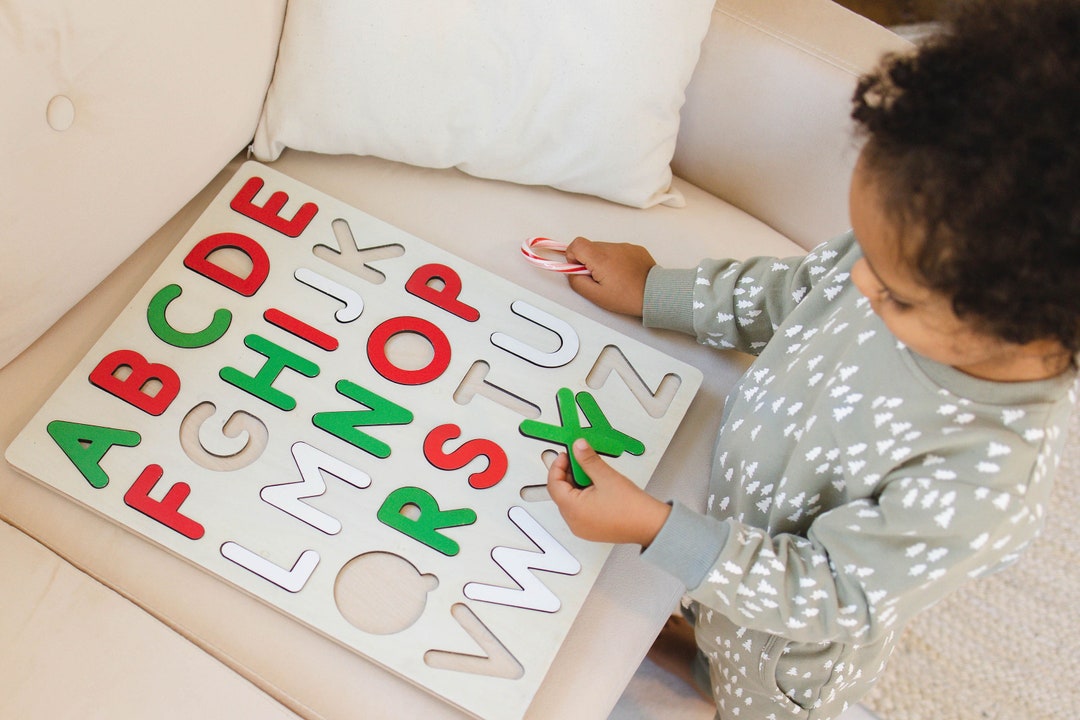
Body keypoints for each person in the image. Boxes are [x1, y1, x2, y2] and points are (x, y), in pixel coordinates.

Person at [545, 1, 1079, 717]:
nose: (856, 281)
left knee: (743, 686)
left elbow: (826, 594)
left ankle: (709, 671)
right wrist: (657, 291)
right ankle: (695, 647)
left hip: (783, 654)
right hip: (733, 536)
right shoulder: (908, 256)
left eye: (893, 293)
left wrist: (653, 528)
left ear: (1022, 326)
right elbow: (798, 289)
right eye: (864, 250)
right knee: (708, 621)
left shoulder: (984, 479)